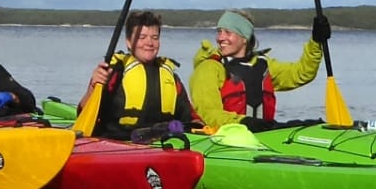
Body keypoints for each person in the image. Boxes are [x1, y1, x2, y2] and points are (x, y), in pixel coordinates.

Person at [189, 8, 332, 131]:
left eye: (227, 32)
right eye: (219, 31)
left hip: (262, 134)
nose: (220, 38)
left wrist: (316, 42)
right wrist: (243, 122)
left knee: (311, 124)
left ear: (244, 38)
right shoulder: (209, 68)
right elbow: (208, 112)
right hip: (226, 137)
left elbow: (302, 73)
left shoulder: (263, 65)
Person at [84, 10, 196, 140]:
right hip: (118, 142)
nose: (149, 43)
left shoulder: (171, 78)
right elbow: (85, 112)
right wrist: (92, 87)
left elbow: (190, 118)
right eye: (142, 37)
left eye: (155, 38)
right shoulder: (114, 73)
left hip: (159, 143)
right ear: (129, 42)